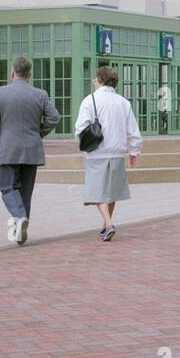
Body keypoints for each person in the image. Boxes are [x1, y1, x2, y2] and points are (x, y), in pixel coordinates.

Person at [0, 56, 60, 245]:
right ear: (30, 74)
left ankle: (19, 217)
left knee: (6, 186)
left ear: (13, 72)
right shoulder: (40, 94)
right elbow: (54, 117)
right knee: (25, 191)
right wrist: (39, 132)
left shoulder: (0, 93)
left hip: (8, 149)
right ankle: (20, 227)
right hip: (32, 149)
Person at [74, 65, 141, 242]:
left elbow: (80, 128)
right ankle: (106, 225)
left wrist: (82, 142)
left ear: (100, 80)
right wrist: (134, 151)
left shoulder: (90, 100)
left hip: (97, 152)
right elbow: (133, 130)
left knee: (98, 192)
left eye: (95, 79)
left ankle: (108, 223)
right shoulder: (123, 102)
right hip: (117, 152)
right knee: (111, 192)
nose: (94, 81)